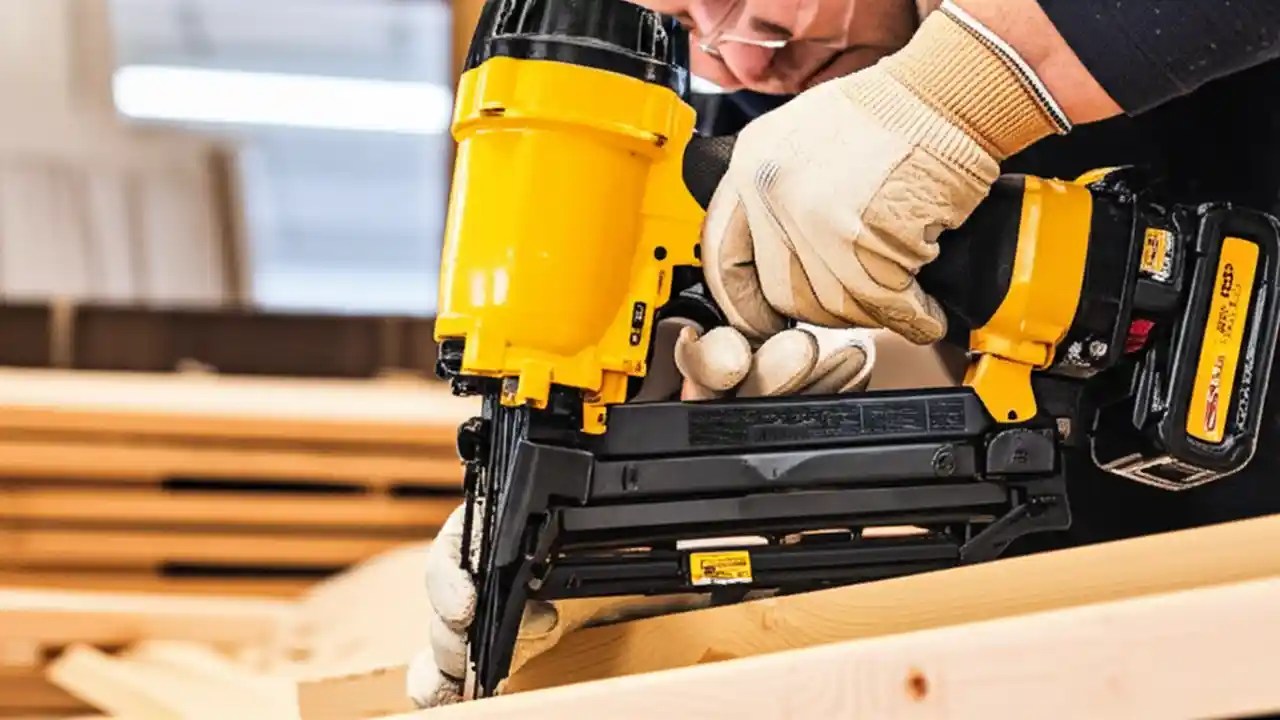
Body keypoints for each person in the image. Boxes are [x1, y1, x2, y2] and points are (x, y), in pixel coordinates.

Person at [408, 0, 1280, 706]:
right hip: (1103, 620)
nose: (740, 58)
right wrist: (626, 524)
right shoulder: (739, 127)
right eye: (679, 24)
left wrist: (969, 82)